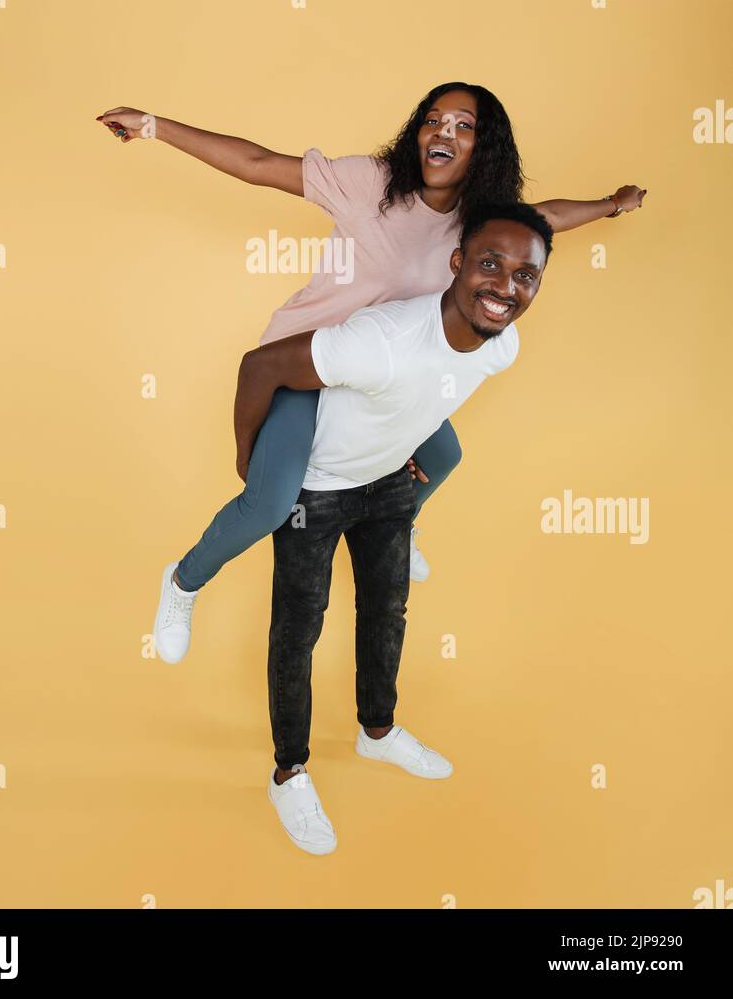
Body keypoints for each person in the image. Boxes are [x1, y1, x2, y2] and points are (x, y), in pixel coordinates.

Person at [94, 85, 645, 661]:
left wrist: (611, 203)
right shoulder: (371, 186)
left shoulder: (482, 222)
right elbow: (257, 165)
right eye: (433, 121)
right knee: (273, 503)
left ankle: (400, 523)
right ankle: (183, 582)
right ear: (417, 132)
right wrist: (153, 126)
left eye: (463, 126)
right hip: (308, 362)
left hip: (384, 372)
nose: (443, 133)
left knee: (443, 456)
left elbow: (548, 216)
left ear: (486, 148)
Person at [232, 202, 554, 853]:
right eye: (490, 264)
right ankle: (288, 772)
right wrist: (251, 464)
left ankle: (376, 732)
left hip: (385, 488)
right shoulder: (378, 336)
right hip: (316, 488)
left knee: (387, 610)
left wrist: (608, 206)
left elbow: (431, 397)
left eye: (527, 274)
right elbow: (260, 365)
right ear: (456, 263)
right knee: (298, 631)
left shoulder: (502, 347)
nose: (506, 286)